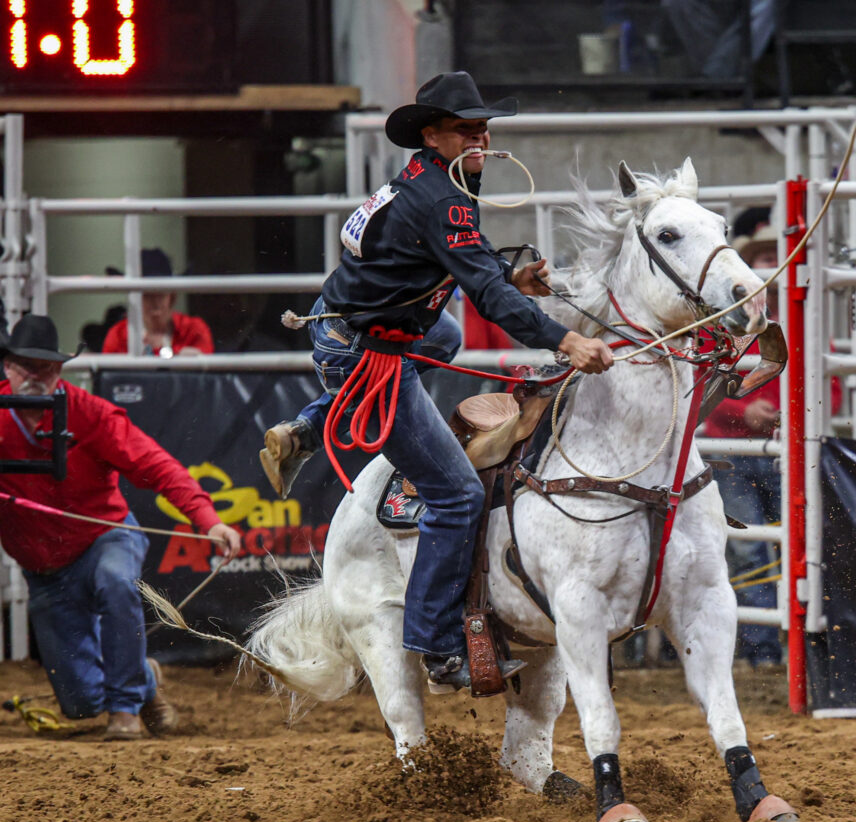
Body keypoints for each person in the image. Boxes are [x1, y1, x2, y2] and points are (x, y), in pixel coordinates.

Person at [257, 71, 611, 691]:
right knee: (456, 495)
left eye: (482, 129)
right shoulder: (444, 198)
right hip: (367, 353)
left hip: (353, 327)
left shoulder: (428, 183)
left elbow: (446, 259)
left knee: (445, 334)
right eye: (464, 129)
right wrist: (565, 338)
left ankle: (310, 427)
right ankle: (440, 644)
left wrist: (503, 274)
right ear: (432, 134)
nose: (478, 138)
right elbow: (483, 290)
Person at [0, 314, 242, 740]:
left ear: (60, 370)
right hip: (43, 570)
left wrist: (208, 521)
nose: (35, 376)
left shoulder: (88, 413)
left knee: (116, 581)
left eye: (46, 367)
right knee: (80, 704)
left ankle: (126, 709)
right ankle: (144, 679)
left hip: (105, 536)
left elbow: (157, 466)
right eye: (25, 366)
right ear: (7, 367)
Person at [703, 221, 784, 667]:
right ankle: (763, 647)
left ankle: (770, 645)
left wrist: (784, 412)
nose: (770, 264)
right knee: (752, 545)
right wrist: (745, 412)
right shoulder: (726, 321)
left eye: (777, 257)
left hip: (756, 447)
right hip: (731, 450)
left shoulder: (793, 316)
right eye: (764, 257)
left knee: (779, 543)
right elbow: (705, 385)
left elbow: (822, 385)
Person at [100, 248, 215, 357]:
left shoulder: (193, 329)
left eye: (161, 293)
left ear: (171, 295)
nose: (155, 302)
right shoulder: (118, 335)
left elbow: (207, 371)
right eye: (147, 295)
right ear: (135, 297)